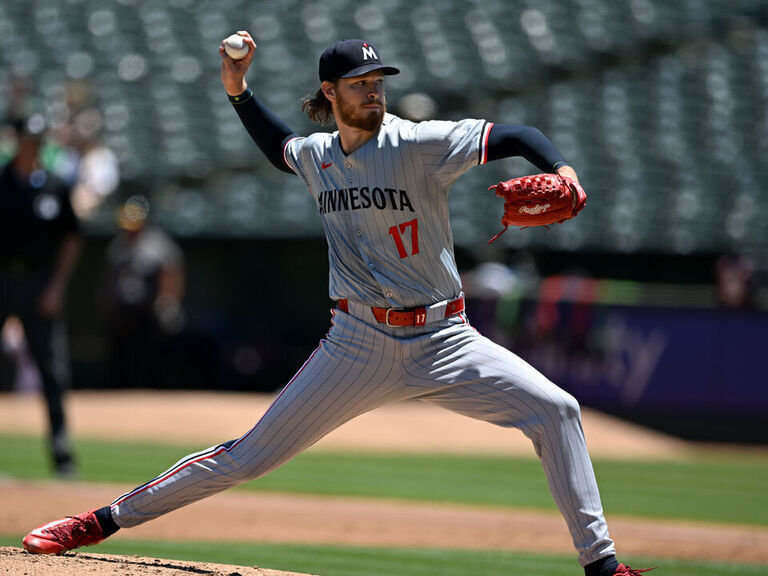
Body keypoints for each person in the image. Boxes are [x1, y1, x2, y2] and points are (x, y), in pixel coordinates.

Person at [22, 34, 654, 576]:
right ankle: (98, 522)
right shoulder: (319, 157)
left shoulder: (418, 143)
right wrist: (237, 89)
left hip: (446, 338)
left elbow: (518, 133)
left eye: (378, 79)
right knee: (245, 458)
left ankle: (602, 565)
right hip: (358, 343)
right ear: (331, 92)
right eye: (359, 82)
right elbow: (280, 148)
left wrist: (563, 169)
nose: (373, 90)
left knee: (558, 410)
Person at [0, 113, 82, 477]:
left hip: (39, 284)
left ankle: (61, 453)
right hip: (2, 280)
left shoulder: (55, 186)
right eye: (26, 139)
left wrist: (57, 286)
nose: (31, 145)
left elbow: (71, 238)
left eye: (37, 140)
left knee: (52, 370)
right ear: (16, 140)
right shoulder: (1, 183)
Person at [97, 195, 185, 389]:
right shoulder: (118, 246)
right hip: (124, 313)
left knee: (152, 359)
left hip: (149, 312)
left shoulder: (158, 244)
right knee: (121, 358)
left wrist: (169, 301)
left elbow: (172, 274)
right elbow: (109, 281)